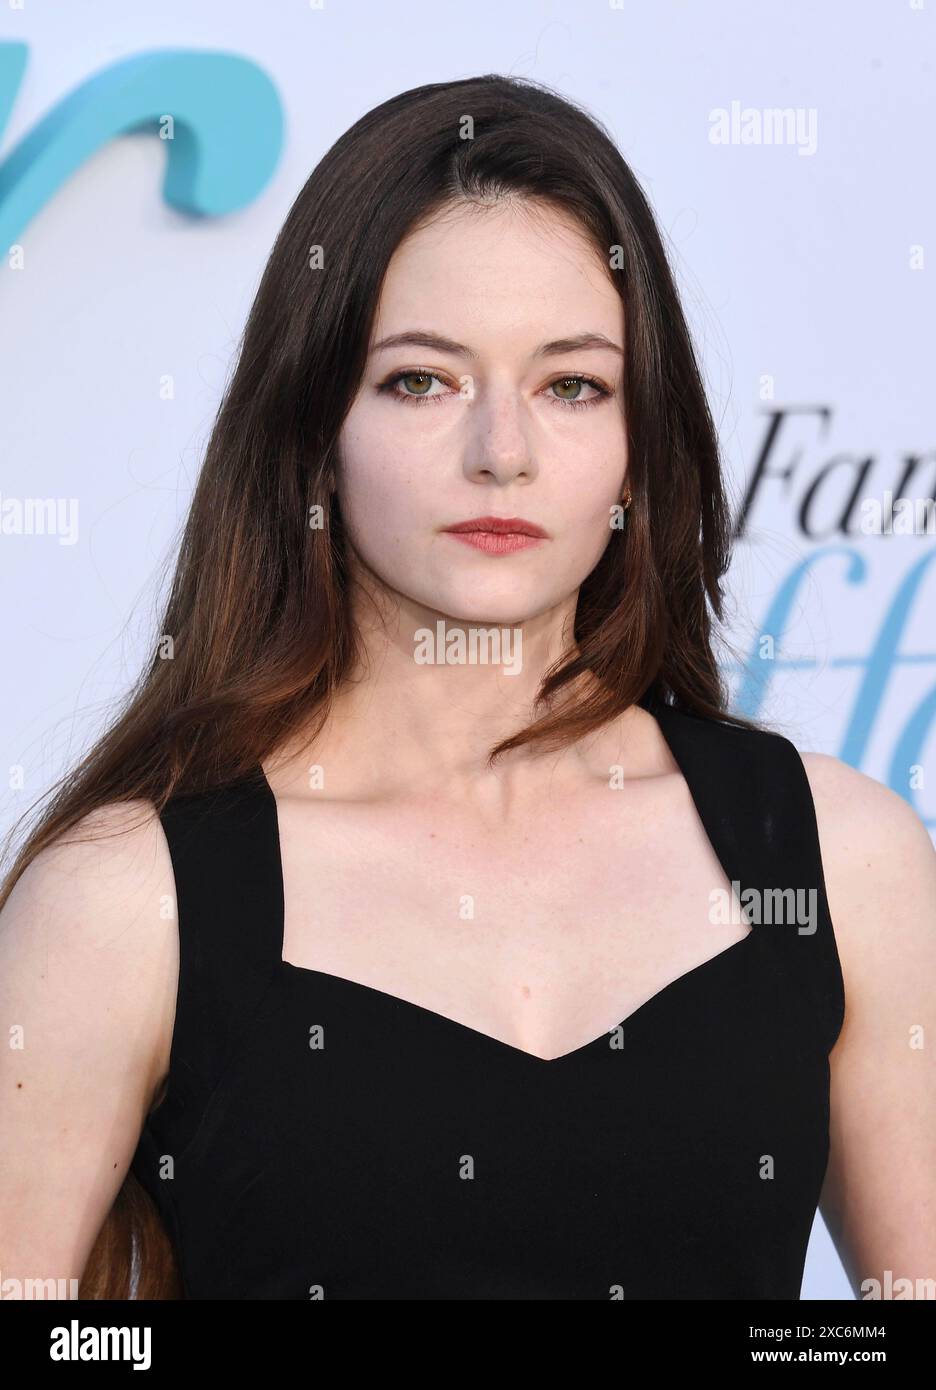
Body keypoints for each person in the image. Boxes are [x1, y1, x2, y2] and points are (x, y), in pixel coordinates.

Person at [1, 73, 934, 1302]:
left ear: (640, 443)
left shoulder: (840, 858)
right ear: (309, 427)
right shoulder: (126, 903)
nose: (504, 450)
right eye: (421, 380)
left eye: (572, 385)